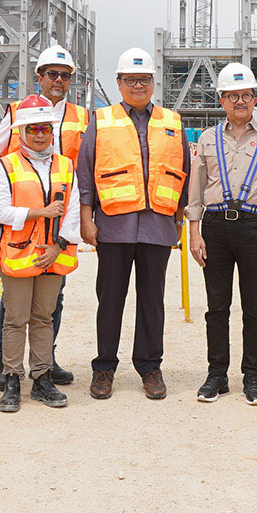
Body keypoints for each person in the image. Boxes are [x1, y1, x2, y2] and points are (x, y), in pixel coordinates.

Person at [77, 47, 190, 401]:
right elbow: (86, 174)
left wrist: (179, 218)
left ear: (153, 82)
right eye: (130, 79)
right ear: (119, 82)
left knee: (152, 301)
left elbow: (183, 173)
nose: (137, 85)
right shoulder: (101, 120)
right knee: (110, 300)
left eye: (143, 79)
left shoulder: (173, 122)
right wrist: (86, 219)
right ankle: (104, 367)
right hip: (114, 226)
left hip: (158, 226)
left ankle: (150, 365)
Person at [184, 64, 257, 406]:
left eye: (245, 95)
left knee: (253, 306)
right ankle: (217, 375)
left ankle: (252, 375)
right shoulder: (208, 138)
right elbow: (196, 190)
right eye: (233, 96)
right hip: (215, 227)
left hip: (255, 227)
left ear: (255, 100)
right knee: (216, 307)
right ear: (222, 100)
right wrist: (194, 232)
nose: (240, 101)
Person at [0, 43, 89, 388]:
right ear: (39, 77)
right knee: (14, 301)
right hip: (25, 214)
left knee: (51, 299)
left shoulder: (82, 116)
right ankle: (7, 364)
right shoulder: (17, 111)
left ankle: (46, 361)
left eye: (64, 75)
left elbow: (87, 165)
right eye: (52, 74)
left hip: (61, 218)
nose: (58, 80)